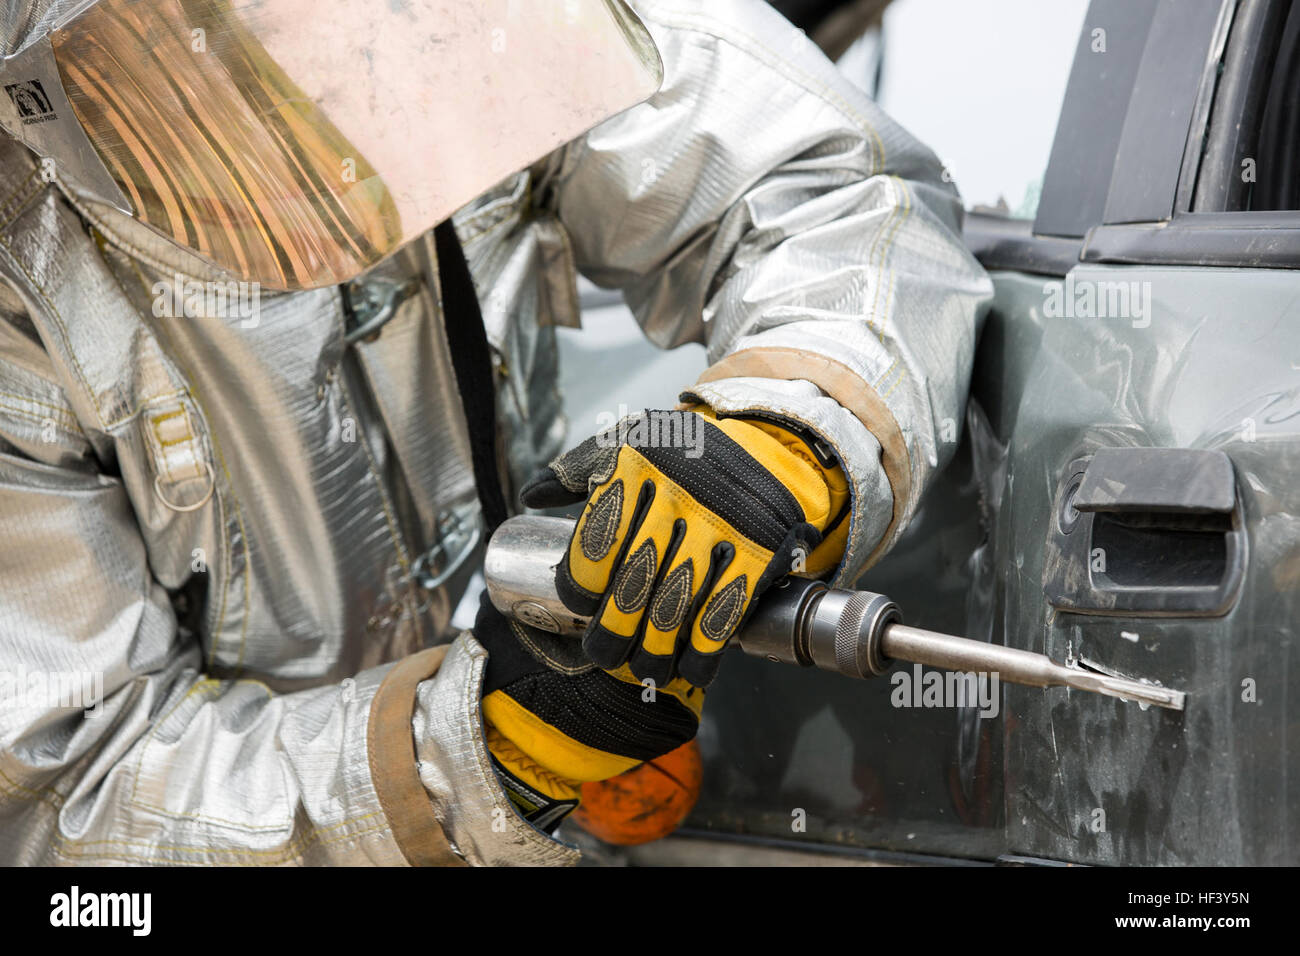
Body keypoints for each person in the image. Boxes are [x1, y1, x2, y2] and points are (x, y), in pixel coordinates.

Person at [0, 0, 990, 865]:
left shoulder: (460, 23)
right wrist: (472, 756)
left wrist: (785, 429)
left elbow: (824, 186)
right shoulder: (23, 274)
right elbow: (56, 803)